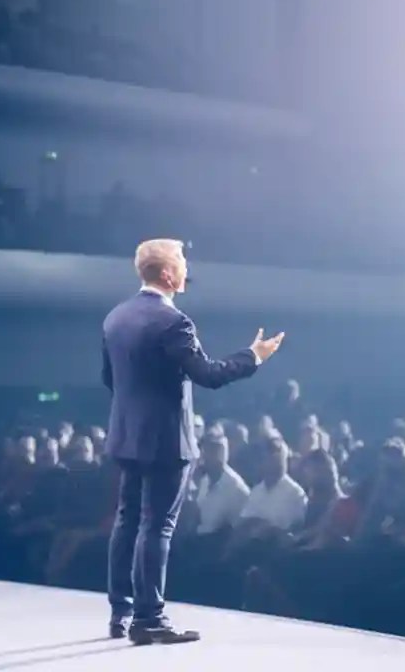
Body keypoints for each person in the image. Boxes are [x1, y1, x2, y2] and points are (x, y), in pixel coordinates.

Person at [102, 238, 284, 644]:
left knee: (127, 519)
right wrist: (253, 356)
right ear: (167, 274)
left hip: (126, 434)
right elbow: (209, 374)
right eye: (182, 262)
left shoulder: (115, 317)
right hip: (165, 439)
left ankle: (120, 612)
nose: (186, 268)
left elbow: (108, 379)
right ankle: (149, 619)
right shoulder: (174, 323)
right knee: (157, 526)